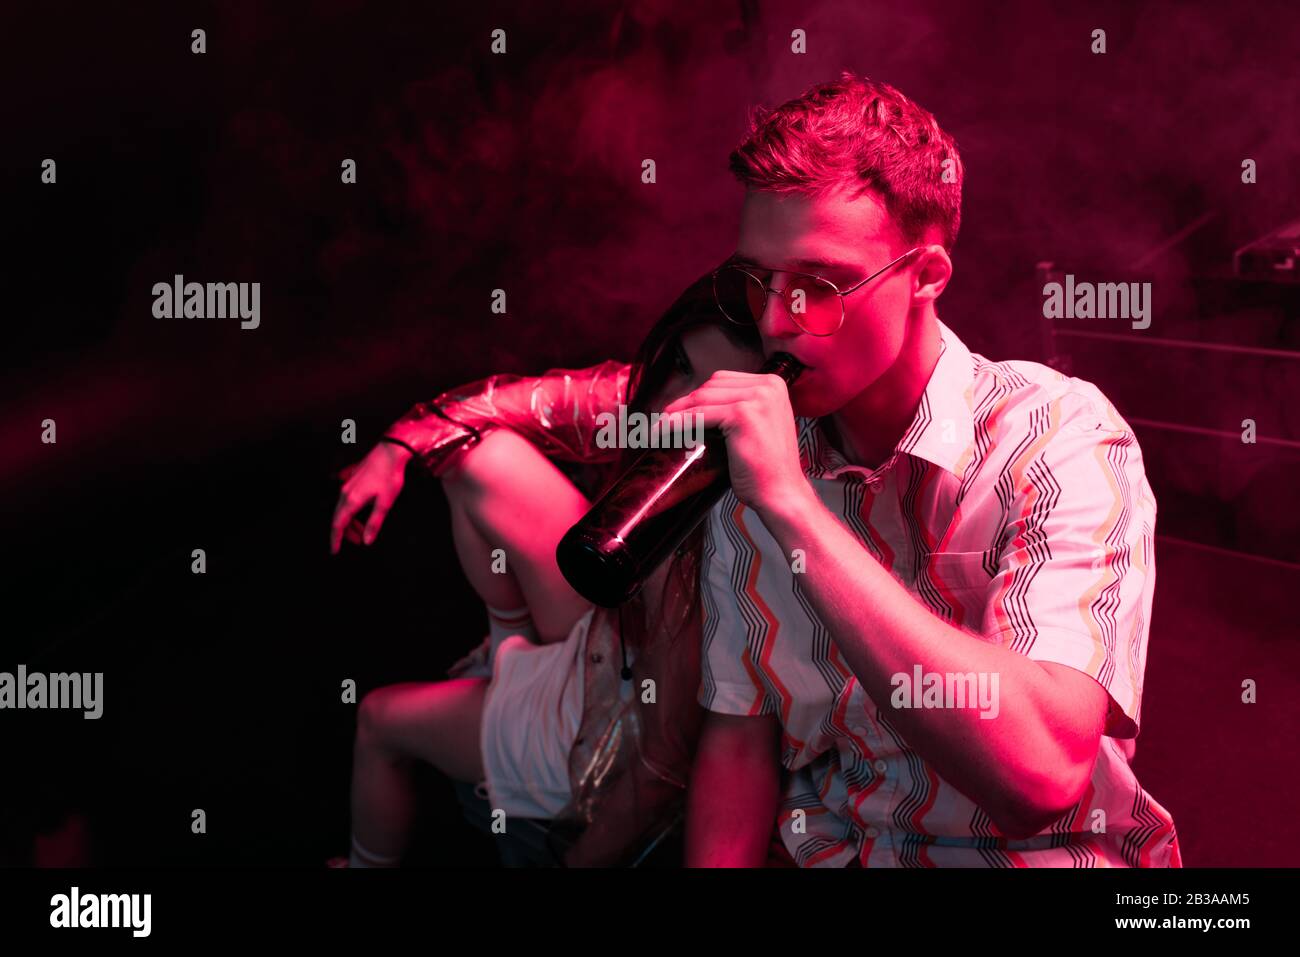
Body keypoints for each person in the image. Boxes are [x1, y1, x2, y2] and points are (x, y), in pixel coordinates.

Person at [665, 73, 1182, 867]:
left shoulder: (1058, 432)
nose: (774, 321)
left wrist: (794, 509)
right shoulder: (762, 461)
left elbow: (1040, 775)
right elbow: (741, 741)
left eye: (821, 285)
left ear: (927, 276)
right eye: (759, 282)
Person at [330, 275, 762, 867]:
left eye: (713, 390)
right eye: (682, 364)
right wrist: (396, 448)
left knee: (380, 719)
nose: (672, 406)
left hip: (599, 736)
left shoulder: (730, 564)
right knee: (481, 456)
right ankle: (513, 650)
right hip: (607, 634)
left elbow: (662, 768)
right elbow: (520, 402)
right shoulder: (660, 404)